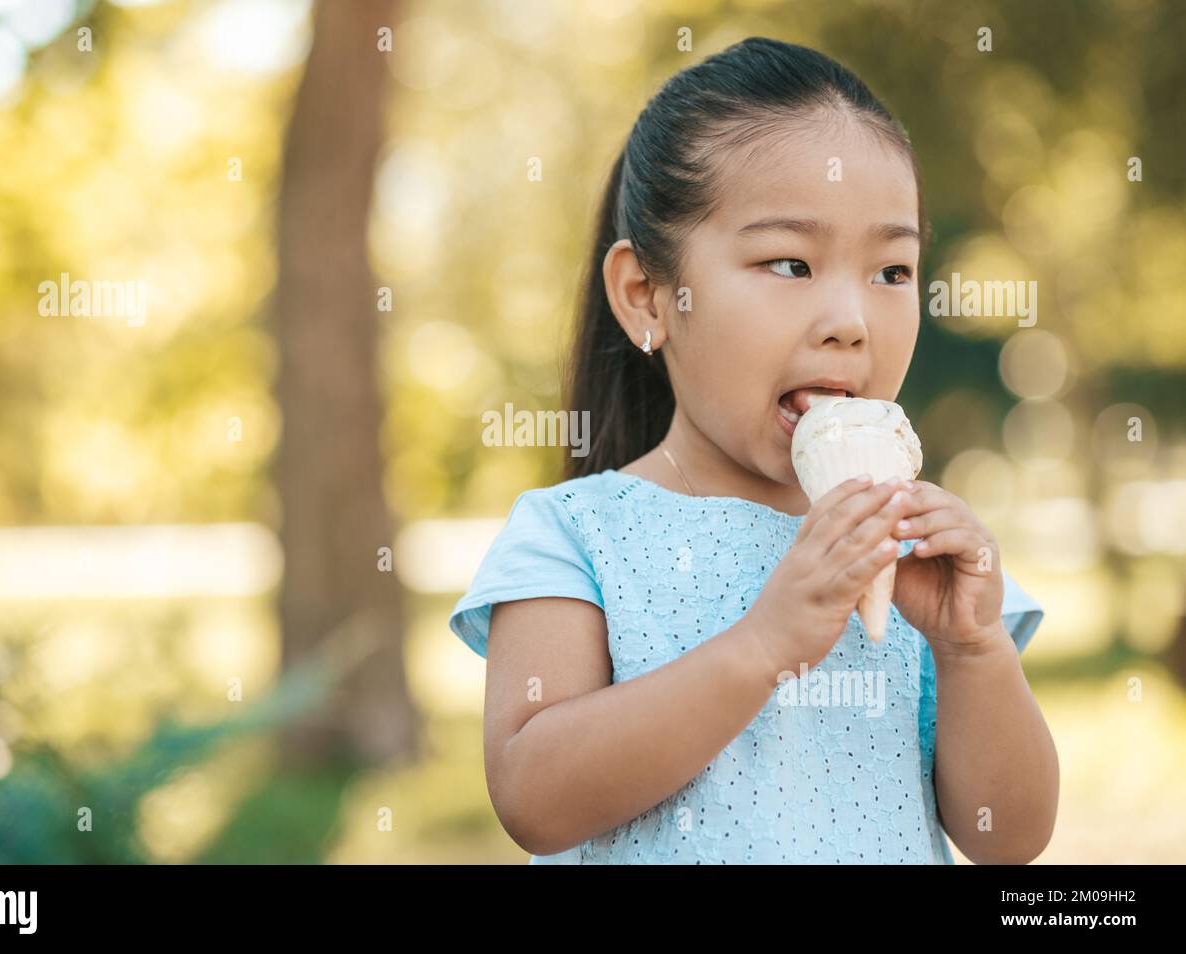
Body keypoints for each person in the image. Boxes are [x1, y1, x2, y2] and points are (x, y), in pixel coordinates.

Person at [449, 37, 1058, 864]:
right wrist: (765, 647)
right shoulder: (574, 538)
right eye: (790, 262)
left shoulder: (912, 546)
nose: (851, 319)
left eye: (892, 271)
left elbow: (1009, 840)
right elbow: (534, 796)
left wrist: (972, 650)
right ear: (647, 297)